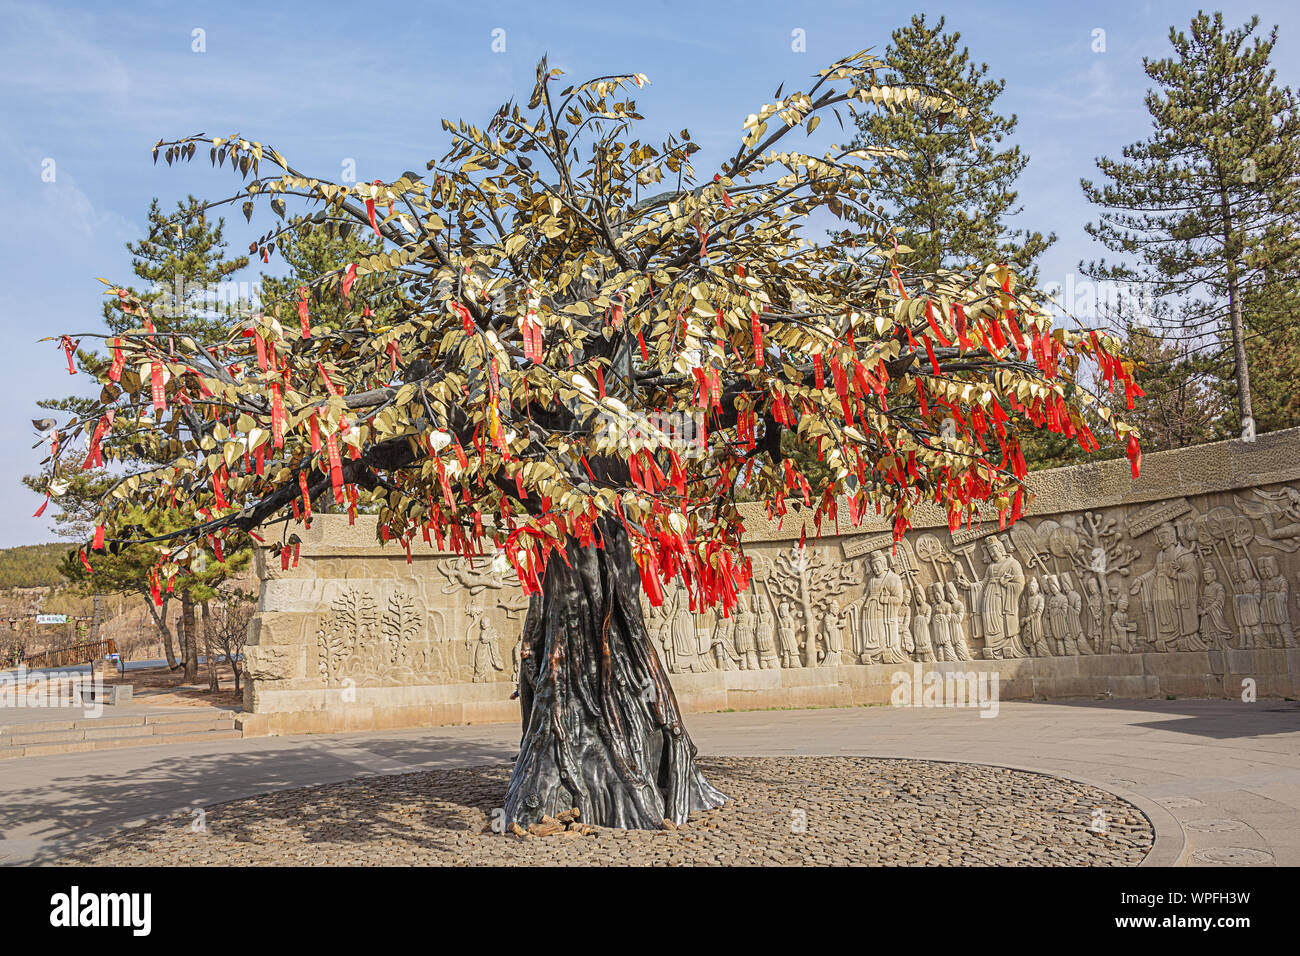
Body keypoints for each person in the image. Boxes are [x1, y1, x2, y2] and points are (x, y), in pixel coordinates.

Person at [978, 537, 1026, 659]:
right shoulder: (991, 567)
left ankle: (1008, 647)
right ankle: (992, 649)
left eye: (994, 551)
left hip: (1004, 601)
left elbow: (1020, 584)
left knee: (1002, 624)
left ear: (1001, 549)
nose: (993, 554)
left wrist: (1005, 584)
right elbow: (983, 583)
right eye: (990, 552)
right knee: (990, 624)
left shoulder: (1013, 564)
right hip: (989, 600)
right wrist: (971, 586)